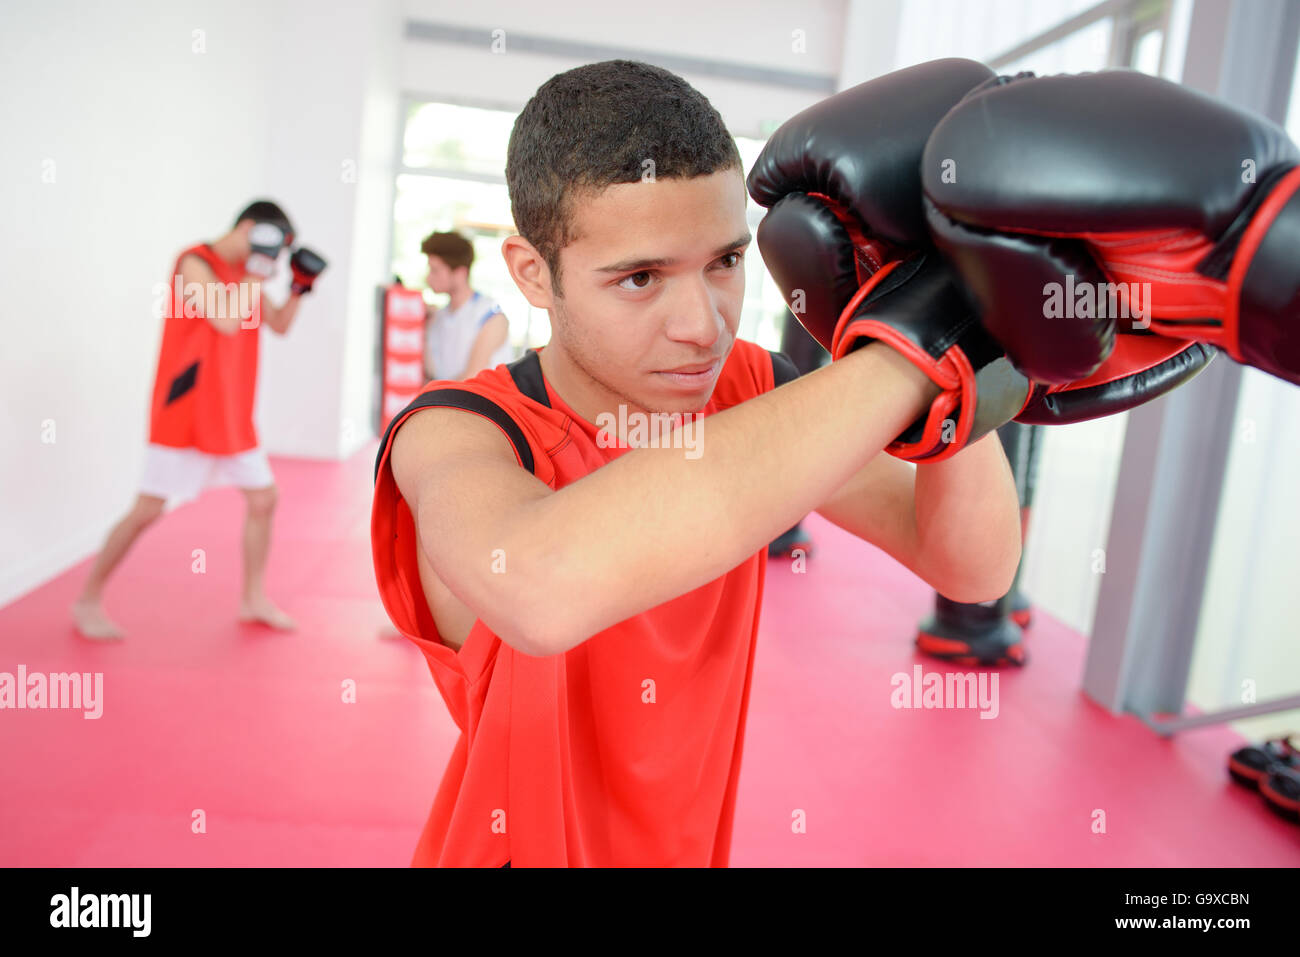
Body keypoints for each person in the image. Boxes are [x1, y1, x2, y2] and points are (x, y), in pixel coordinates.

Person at [369, 60, 1173, 867]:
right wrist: (928, 341)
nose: (701, 325)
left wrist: (959, 314)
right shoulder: (457, 431)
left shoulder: (749, 385)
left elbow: (971, 567)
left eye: (723, 262)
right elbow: (540, 588)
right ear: (533, 274)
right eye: (641, 277)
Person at [72, 200, 325, 640]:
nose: (272, 257)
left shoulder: (249, 276)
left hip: (231, 412)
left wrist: (300, 287)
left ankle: (253, 599)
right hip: (185, 408)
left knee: (264, 499)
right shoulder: (194, 263)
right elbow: (225, 319)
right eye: (270, 245)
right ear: (249, 228)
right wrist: (258, 271)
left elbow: (280, 324)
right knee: (147, 510)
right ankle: (86, 600)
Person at [420, 231, 513, 381]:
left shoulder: (490, 316)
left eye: (435, 270)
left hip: (476, 403)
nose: (428, 278)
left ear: (460, 273)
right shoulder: (439, 317)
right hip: (444, 401)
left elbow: (471, 378)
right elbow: (432, 374)